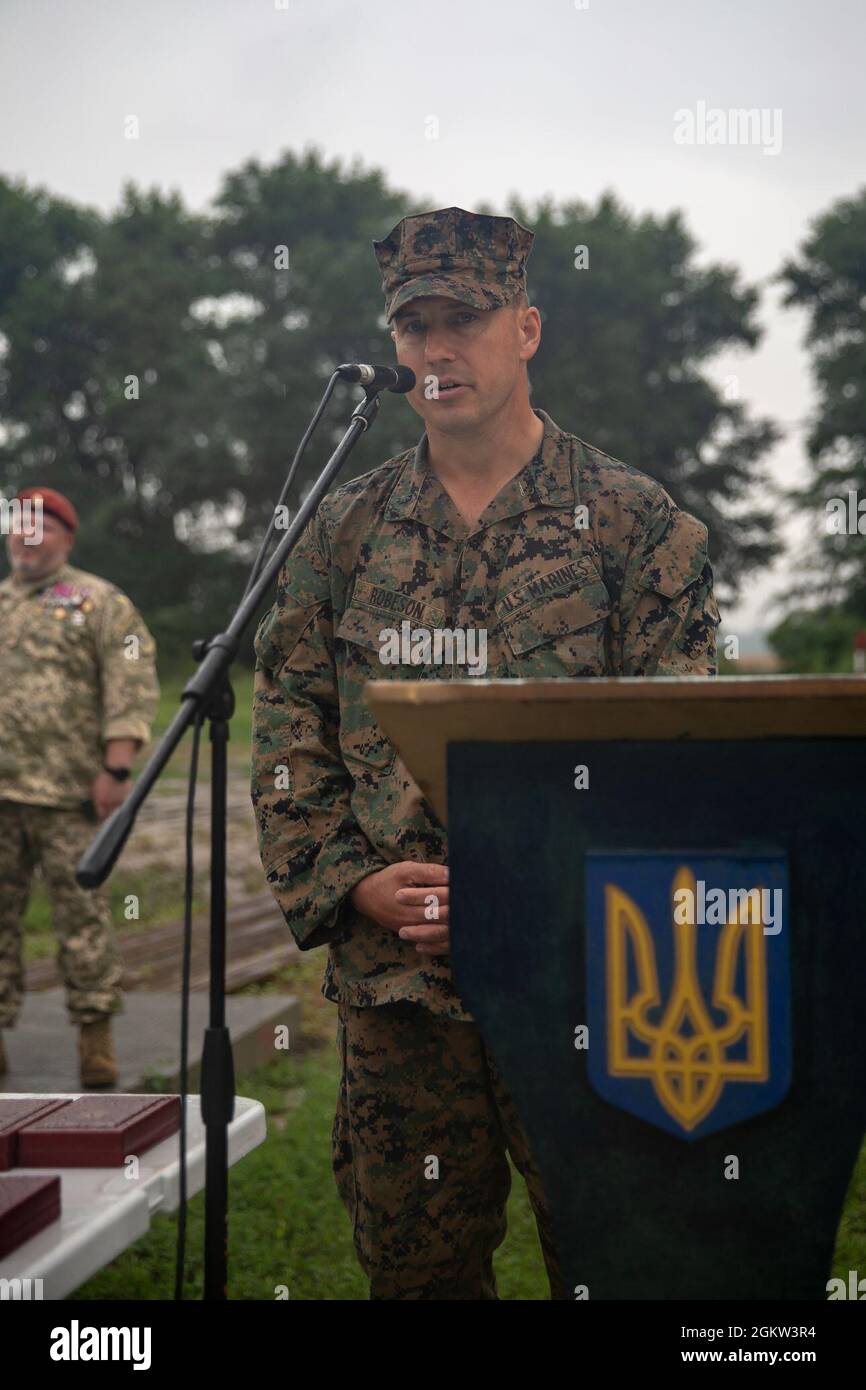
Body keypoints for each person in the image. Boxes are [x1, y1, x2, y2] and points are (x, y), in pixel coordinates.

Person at [250, 206, 721, 1299]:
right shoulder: (340, 531)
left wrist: (529, 886)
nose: (430, 348)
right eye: (410, 325)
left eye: (461, 317)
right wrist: (354, 881)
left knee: (619, 1263)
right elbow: (288, 734)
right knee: (418, 1280)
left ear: (526, 327)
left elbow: (675, 766)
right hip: (397, 997)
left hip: (588, 986)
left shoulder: (636, 526)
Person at [0, 488, 159, 1086]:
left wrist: (117, 768)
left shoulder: (97, 602)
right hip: (0, 797)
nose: (28, 538)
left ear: (66, 537)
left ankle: (95, 1041)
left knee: (82, 922)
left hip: (69, 796)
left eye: (41, 528)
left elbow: (131, 680)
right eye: (19, 527)